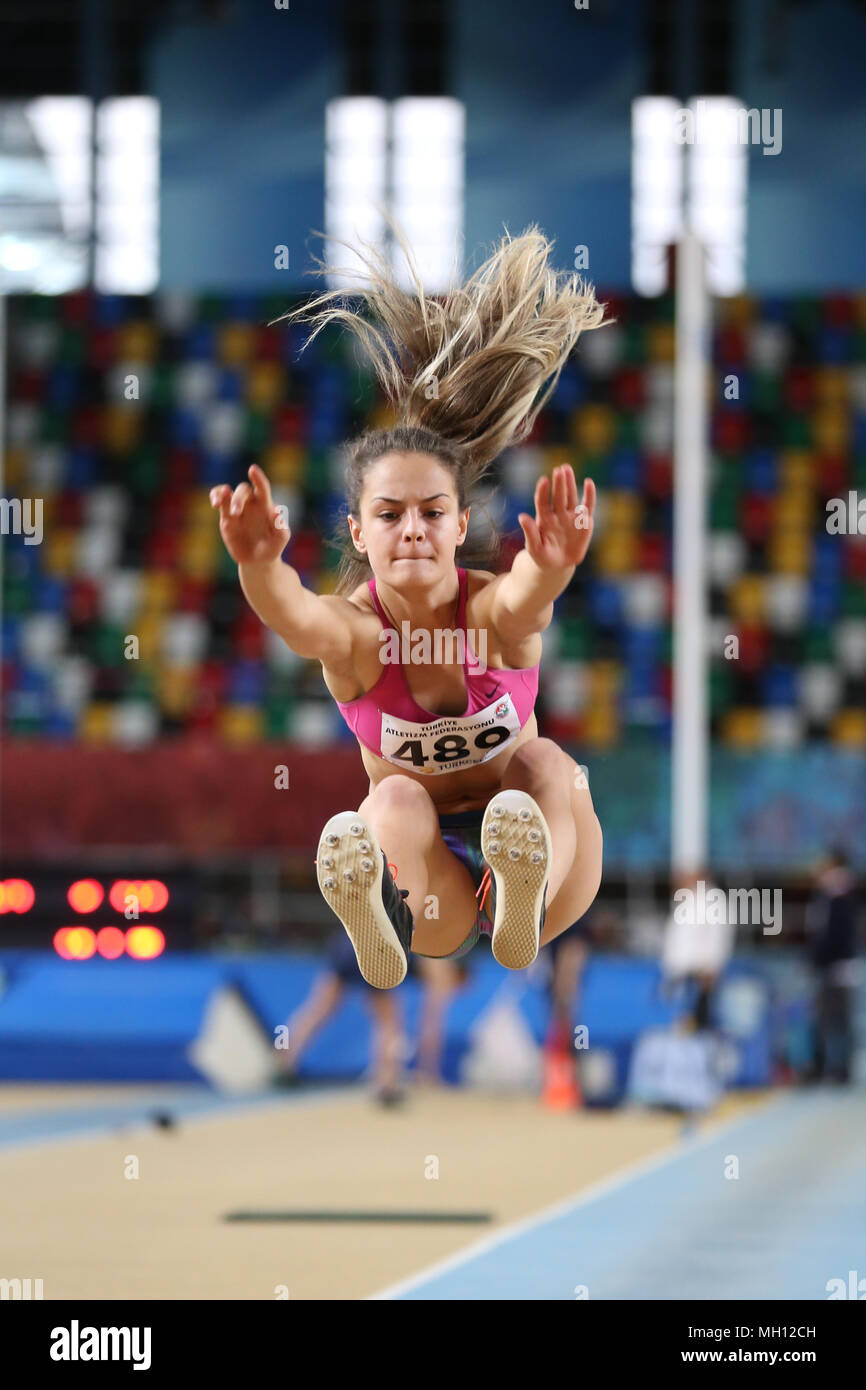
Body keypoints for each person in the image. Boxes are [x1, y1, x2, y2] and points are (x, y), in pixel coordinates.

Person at [212, 228, 605, 988]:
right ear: (359, 532)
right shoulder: (358, 636)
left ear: (461, 525)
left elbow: (523, 604)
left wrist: (551, 568)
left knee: (545, 760)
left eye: (432, 511)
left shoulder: (487, 611)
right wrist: (259, 566)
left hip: (546, 859)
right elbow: (296, 616)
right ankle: (384, 922)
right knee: (388, 798)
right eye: (390, 514)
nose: (414, 529)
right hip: (437, 887)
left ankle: (518, 898)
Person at [805, 849, 861, 1084]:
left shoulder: (840, 896)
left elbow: (834, 936)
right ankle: (829, 1066)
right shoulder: (830, 897)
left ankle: (838, 1068)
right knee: (829, 1019)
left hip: (838, 966)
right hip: (833, 964)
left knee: (836, 1020)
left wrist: (819, 959)